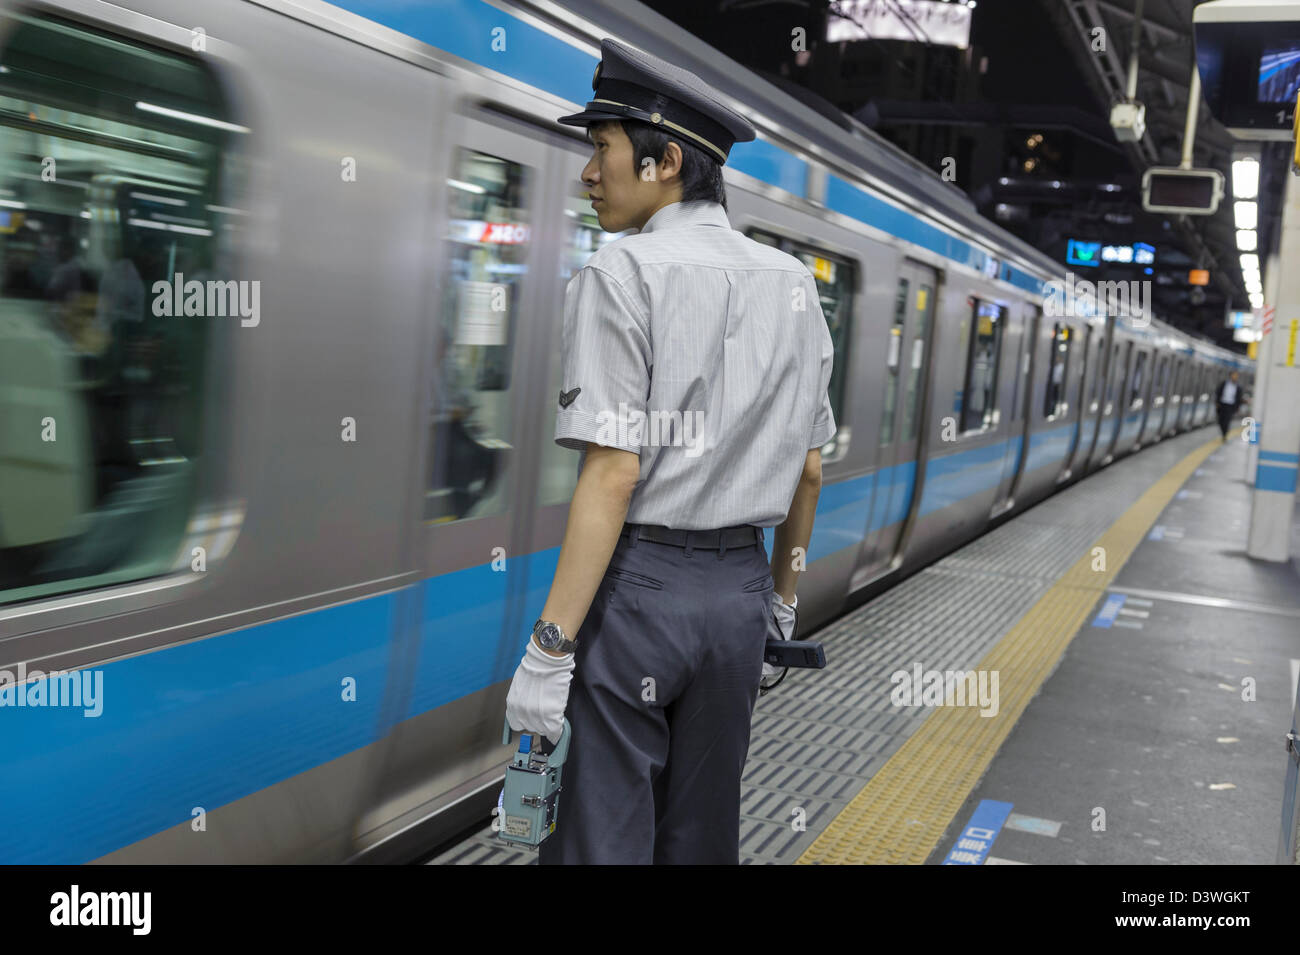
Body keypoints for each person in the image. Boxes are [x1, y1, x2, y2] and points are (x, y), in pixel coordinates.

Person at [504, 37, 835, 864]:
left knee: (599, 838)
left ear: (667, 161)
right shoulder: (793, 284)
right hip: (738, 596)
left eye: (602, 147)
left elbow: (613, 473)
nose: (588, 172)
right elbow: (810, 466)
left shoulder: (623, 275)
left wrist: (550, 649)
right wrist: (780, 606)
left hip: (642, 595)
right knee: (701, 836)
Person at [1215, 371, 1241, 442]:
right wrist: (1217, 402)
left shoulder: (1238, 387)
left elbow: (1239, 398)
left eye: (1236, 376)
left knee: (1227, 421)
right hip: (1222, 404)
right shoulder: (1224, 384)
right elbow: (1218, 392)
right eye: (1233, 375)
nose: (1235, 377)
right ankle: (1224, 432)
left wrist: (1237, 408)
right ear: (1230, 376)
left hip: (1230, 406)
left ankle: (1224, 434)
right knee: (1220, 420)